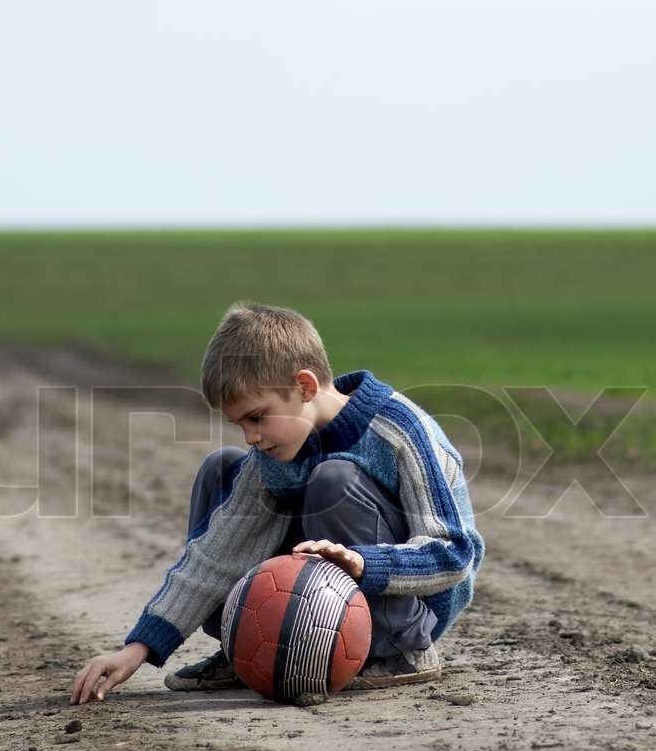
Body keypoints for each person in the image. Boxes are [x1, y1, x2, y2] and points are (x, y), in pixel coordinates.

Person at [69, 302, 485, 706]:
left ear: (304, 386)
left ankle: (401, 652)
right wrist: (137, 648)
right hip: (320, 608)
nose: (251, 436)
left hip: (412, 610)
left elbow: (456, 553)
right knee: (222, 468)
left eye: (257, 417)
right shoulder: (272, 455)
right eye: (241, 424)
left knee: (333, 478)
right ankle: (252, 649)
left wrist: (363, 563)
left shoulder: (400, 430)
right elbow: (217, 554)